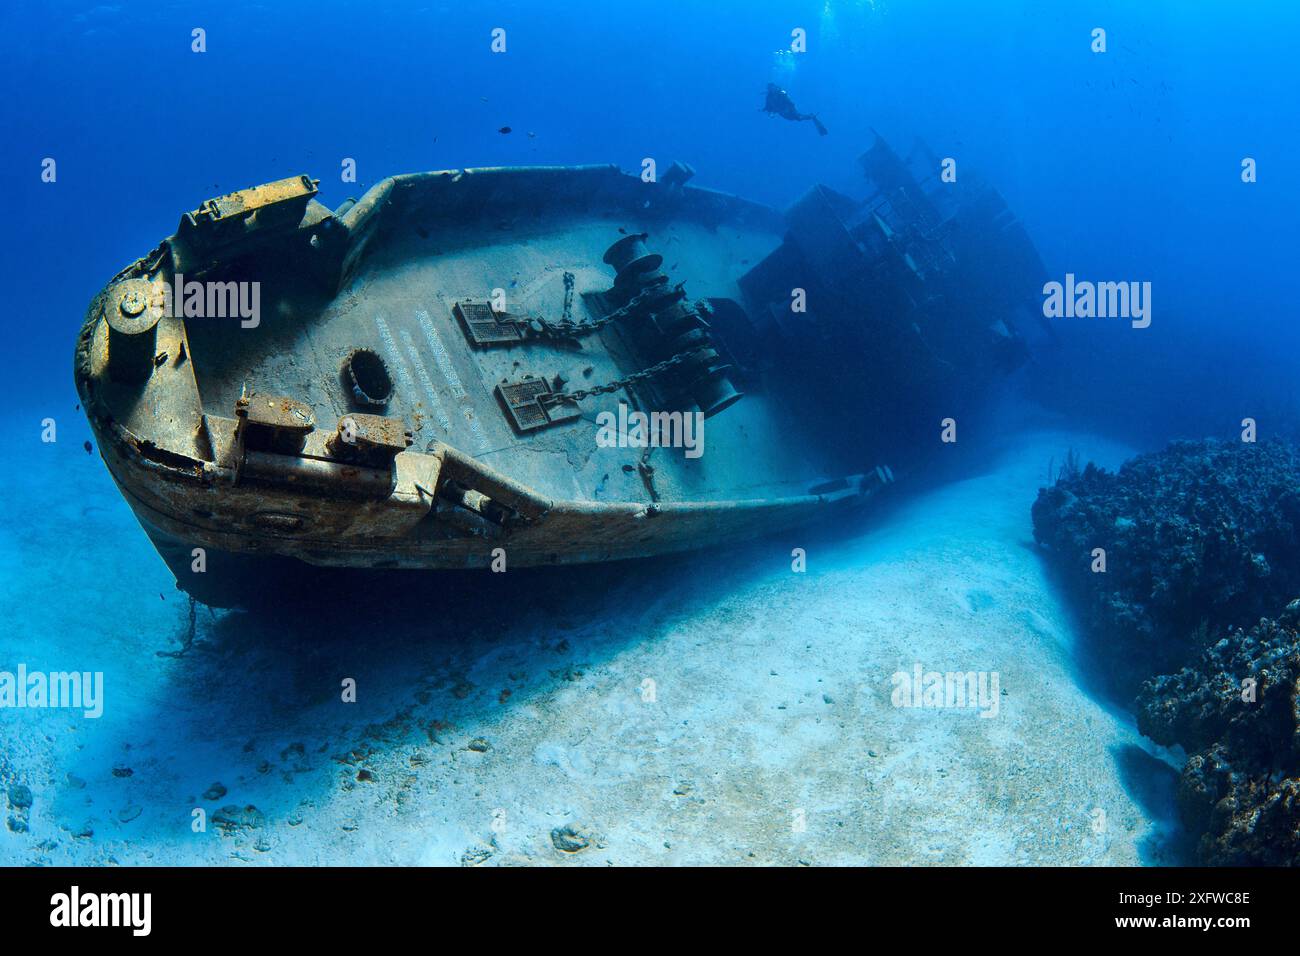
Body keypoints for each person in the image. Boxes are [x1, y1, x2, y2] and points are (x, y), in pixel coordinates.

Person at [762, 83, 828, 135]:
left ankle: (812, 116)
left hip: (789, 109)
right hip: (782, 112)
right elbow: (768, 107)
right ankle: (811, 116)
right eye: (770, 88)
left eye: (772, 88)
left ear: (775, 87)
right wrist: (768, 112)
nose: (772, 90)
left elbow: (789, 102)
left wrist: (788, 109)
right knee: (793, 119)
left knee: (799, 117)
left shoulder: (781, 94)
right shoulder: (768, 97)